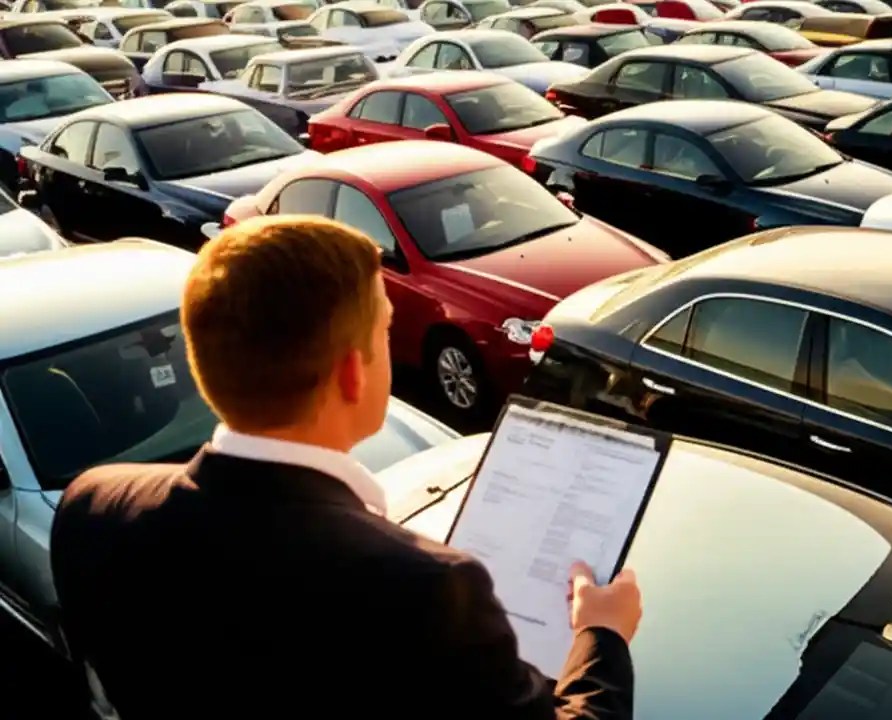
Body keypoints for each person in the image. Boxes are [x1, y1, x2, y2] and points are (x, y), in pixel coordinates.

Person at [50, 216, 641, 719]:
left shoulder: (94, 508)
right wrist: (603, 634)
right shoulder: (429, 590)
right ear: (352, 373)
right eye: (384, 329)